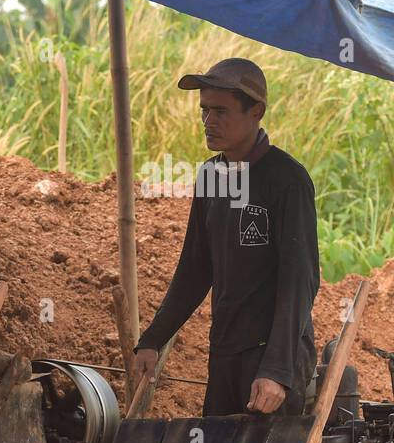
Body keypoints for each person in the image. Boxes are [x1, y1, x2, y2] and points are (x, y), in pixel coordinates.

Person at [132, 58, 320, 416]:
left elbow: (301, 281)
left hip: (272, 360)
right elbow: (194, 270)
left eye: (221, 111)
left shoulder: (287, 181)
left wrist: (277, 371)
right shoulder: (211, 176)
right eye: (204, 110)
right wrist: (152, 340)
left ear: (256, 112)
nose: (208, 122)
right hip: (225, 350)